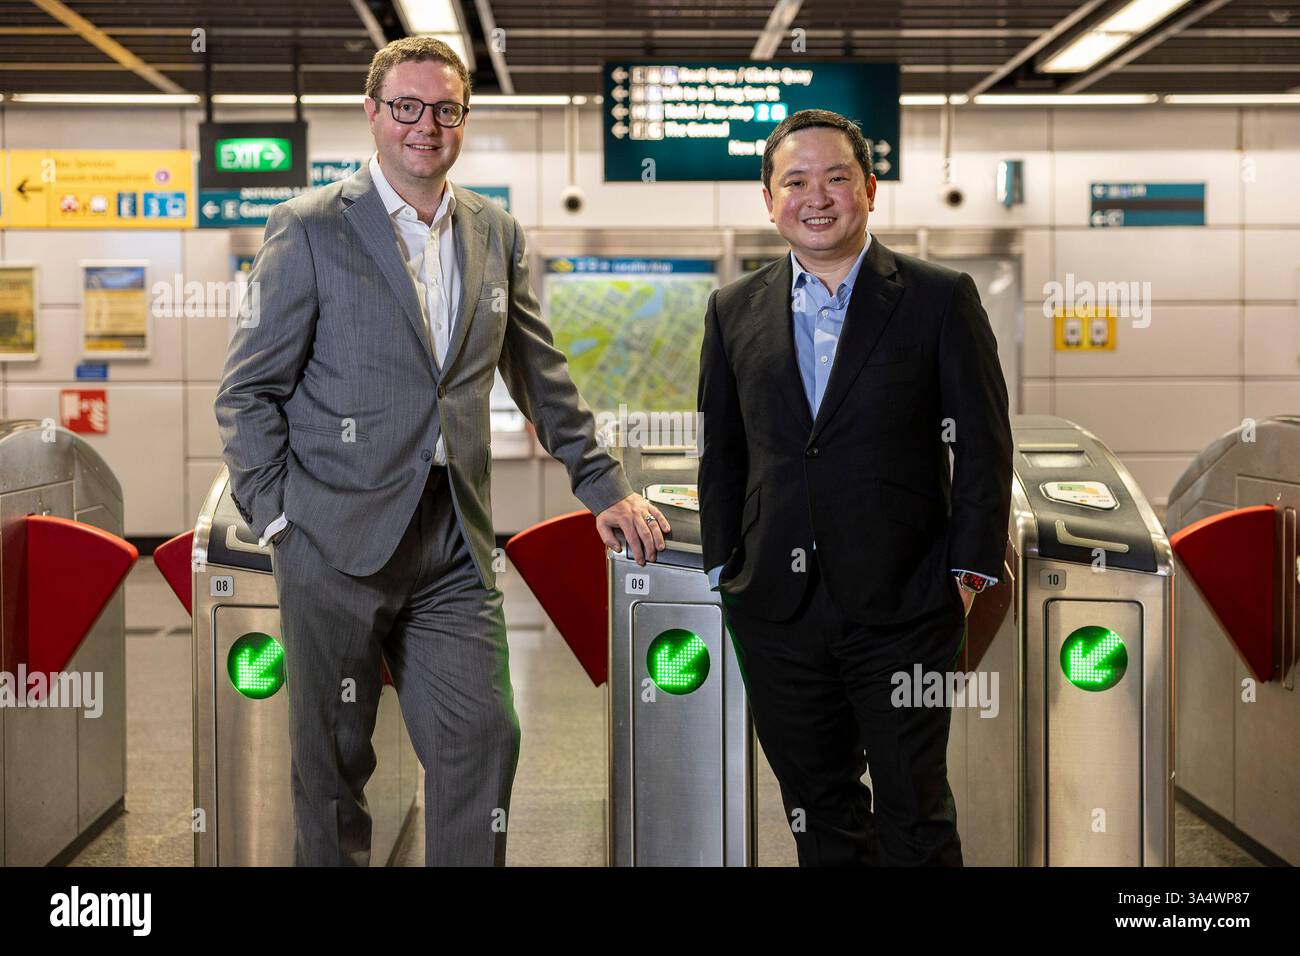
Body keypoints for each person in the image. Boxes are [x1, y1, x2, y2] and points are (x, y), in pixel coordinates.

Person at [215, 36, 669, 866]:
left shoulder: (492, 230)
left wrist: (603, 485)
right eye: (407, 107)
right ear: (373, 114)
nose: (426, 125)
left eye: (446, 109)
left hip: (453, 537)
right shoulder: (311, 228)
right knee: (332, 766)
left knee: (484, 739)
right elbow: (247, 392)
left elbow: (541, 373)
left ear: (463, 118)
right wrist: (280, 519)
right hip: (332, 540)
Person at [697, 108, 1012, 866]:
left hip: (906, 605)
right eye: (795, 180)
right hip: (776, 606)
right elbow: (722, 450)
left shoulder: (939, 298)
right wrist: (723, 566)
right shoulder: (734, 307)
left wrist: (967, 574)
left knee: (916, 808)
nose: (818, 195)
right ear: (768, 199)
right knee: (817, 809)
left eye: (837, 177)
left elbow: (982, 442)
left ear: (869, 189)